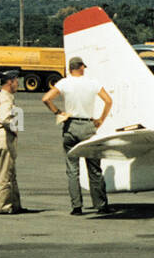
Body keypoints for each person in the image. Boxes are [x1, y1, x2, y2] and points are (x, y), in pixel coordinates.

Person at [42, 56, 114, 215]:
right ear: (81, 67)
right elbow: (108, 100)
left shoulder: (64, 83)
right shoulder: (92, 83)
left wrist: (58, 112)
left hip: (70, 125)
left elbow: (46, 98)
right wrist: (100, 120)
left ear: (70, 68)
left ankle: (76, 206)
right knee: (94, 168)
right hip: (88, 125)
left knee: (72, 169)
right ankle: (100, 205)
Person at [0, 69, 24, 215]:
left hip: (1, 136)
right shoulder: (5, 99)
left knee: (10, 173)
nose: (18, 84)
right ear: (10, 81)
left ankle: (15, 205)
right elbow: (5, 118)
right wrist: (14, 129)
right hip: (5, 136)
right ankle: (3, 206)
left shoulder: (3, 96)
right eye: (16, 81)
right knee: (5, 174)